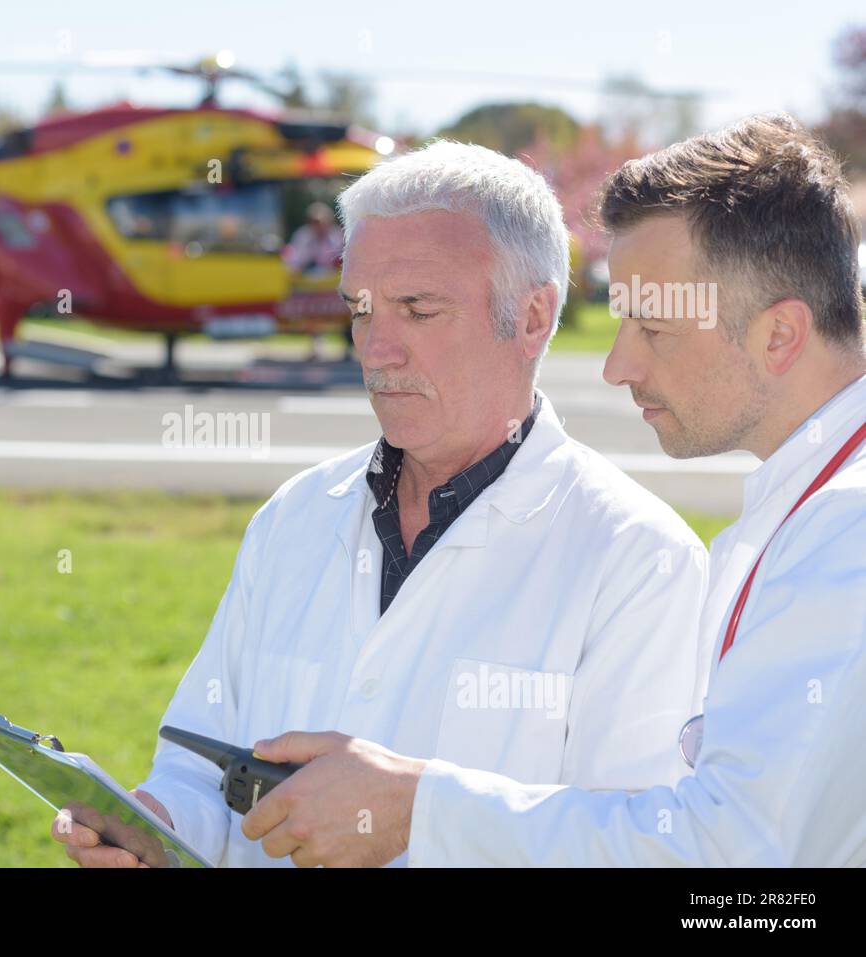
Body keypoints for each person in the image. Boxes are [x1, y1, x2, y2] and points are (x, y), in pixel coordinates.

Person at [51, 141, 710, 867]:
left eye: (418, 310)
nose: (376, 350)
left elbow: (644, 846)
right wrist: (156, 826)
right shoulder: (294, 515)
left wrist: (420, 816)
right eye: (361, 309)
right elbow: (202, 767)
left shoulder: (641, 559)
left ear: (531, 317)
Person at [240, 113, 866, 867]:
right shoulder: (818, 510)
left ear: (779, 335)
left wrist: (420, 807)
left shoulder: (847, 531)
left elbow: (741, 867)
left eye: (652, 328)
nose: (617, 365)